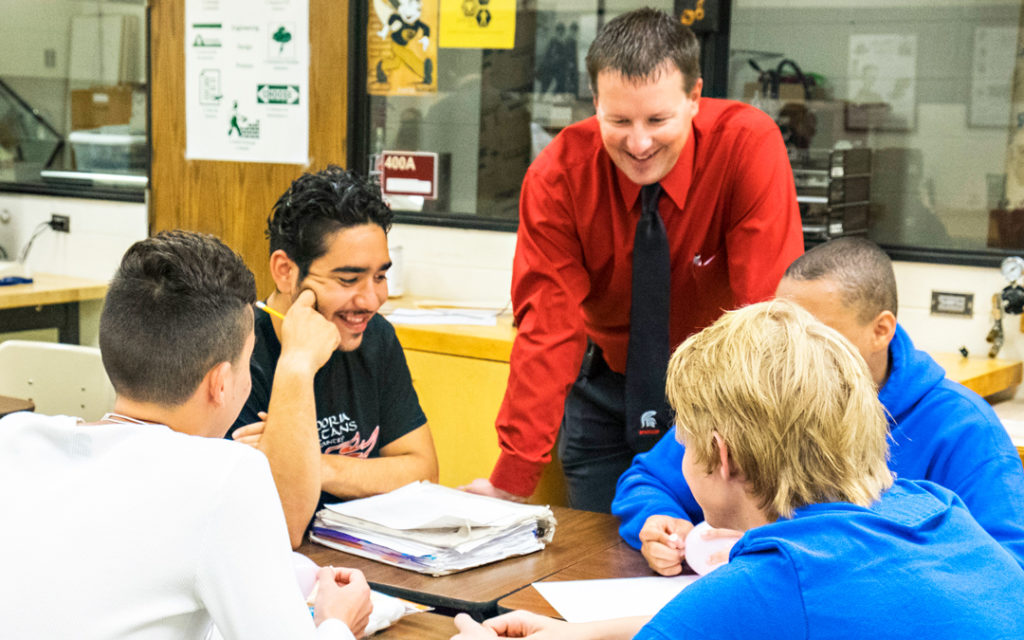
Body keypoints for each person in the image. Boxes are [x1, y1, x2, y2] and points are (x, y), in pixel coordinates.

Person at [452, 300, 1024, 640]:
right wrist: (577, 634)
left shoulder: (774, 579)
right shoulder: (932, 506)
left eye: (683, 433)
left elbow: (734, 612)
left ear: (721, 455)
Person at [463, 8, 803, 511]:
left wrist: (766, 451)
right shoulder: (559, 176)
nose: (639, 143)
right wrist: (513, 477)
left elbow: (767, 316)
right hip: (606, 393)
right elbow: (549, 327)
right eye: (618, 120)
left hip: (722, 399)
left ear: (694, 98)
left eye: (657, 120)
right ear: (595, 102)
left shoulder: (745, 146)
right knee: (598, 564)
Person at [0, 230, 372, 638]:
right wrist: (337, 621)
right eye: (249, 360)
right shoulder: (225, 474)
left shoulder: (15, 437)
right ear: (221, 383)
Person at [613, 237, 1024, 574]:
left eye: (817, 332)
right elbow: (650, 477)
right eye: (783, 327)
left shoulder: (963, 428)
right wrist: (658, 520)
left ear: (881, 330)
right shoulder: (760, 392)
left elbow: (1008, 568)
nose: (793, 350)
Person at [229, 165, 438, 549]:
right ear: (285, 271)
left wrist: (311, 464)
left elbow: (421, 471)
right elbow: (272, 515)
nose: (371, 300)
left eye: (379, 276)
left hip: (362, 561)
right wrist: (297, 363)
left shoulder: (375, 338)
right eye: (348, 279)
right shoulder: (236, 353)